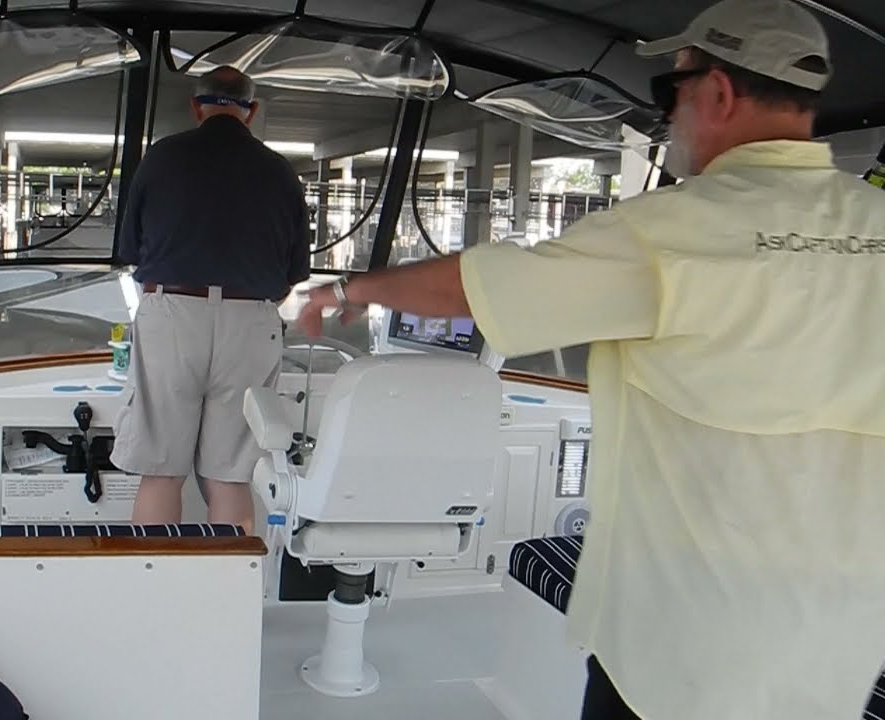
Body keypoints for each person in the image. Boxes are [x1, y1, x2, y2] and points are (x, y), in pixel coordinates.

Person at [296, 0, 885, 718]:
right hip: (837, 643)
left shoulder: (677, 230)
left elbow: (473, 288)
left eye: (671, 93)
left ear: (718, 92)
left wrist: (348, 287)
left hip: (683, 648)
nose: (670, 118)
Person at [110, 66, 311, 535]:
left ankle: (156, 590)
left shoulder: (160, 159)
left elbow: (130, 252)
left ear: (196, 106)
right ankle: (227, 601)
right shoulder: (281, 172)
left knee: (161, 471)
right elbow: (293, 275)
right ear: (252, 110)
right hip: (251, 322)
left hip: (173, 314)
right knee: (231, 476)